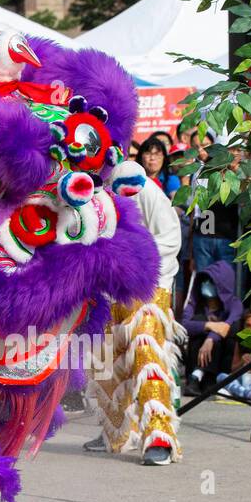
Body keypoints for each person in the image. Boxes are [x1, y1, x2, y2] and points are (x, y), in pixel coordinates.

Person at [86, 177, 185, 465]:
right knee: (103, 359)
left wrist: (136, 262)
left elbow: (170, 236)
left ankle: (158, 435)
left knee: (147, 355)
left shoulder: (133, 179)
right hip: (104, 288)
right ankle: (116, 432)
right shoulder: (82, 184)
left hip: (147, 286)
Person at [182, 260, 242, 393]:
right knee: (199, 320)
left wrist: (210, 339)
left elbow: (226, 327)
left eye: (211, 282)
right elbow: (184, 325)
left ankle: (208, 377)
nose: (206, 285)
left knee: (229, 329)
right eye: (204, 281)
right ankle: (195, 377)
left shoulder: (234, 303)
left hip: (220, 361)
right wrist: (209, 325)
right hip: (196, 355)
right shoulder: (196, 302)